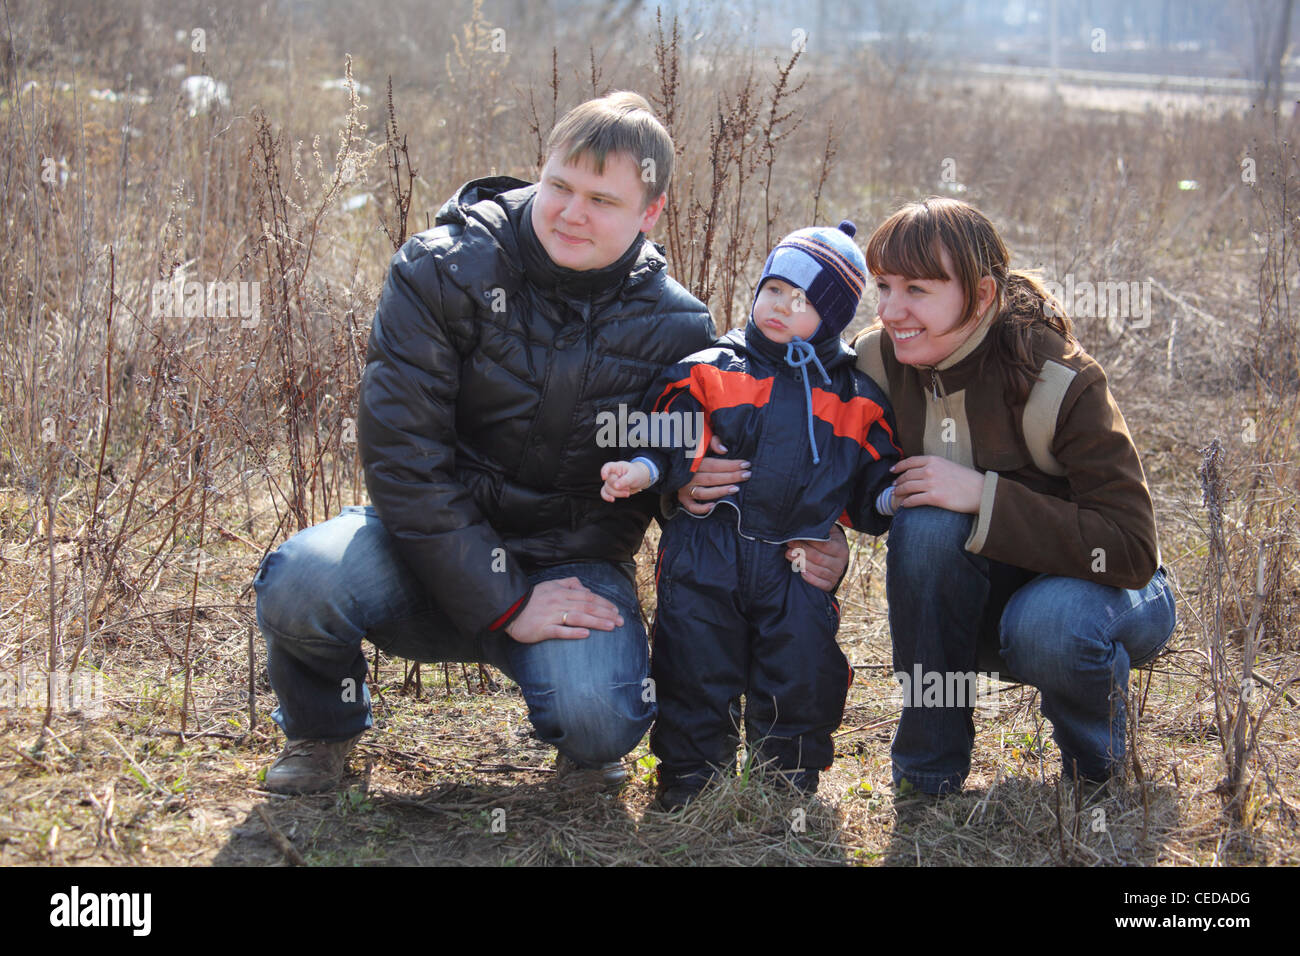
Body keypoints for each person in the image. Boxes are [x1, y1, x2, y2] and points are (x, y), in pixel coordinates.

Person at [251, 91, 849, 795]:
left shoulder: (681, 328)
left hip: (572, 566)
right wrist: (505, 601)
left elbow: (704, 471)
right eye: (560, 185)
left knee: (601, 716)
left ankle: (584, 737)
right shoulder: (441, 271)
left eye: (602, 199)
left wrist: (753, 514)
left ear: (649, 214)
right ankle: (323, 732)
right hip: (419, 551)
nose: (571, 212)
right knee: (301, 581)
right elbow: (402, 459)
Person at [852, 196, 1176, 796]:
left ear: (979, 295)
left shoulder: (1059, 378)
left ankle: (1096, 773)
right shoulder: (877, 361)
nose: (892, 310)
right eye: (884, 286)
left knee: (1049, 625)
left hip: (1109, 594)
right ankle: (928, 776)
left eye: (918, 290)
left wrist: (982, 494)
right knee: (925, 526)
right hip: (985, 598)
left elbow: (1131, 550)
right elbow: (821, 453)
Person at [601, 222, 900, 810]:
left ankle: (786, 781)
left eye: (806, 301)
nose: (782, 308)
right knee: (691, 662)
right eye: (775, 289)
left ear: (834, 318)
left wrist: (891, 498)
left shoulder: (855, 398)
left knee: (802, 669)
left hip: (797, 563)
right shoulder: (712, 370)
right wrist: (644, 468)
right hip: (704, 554)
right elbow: (670, 433)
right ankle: (691, 779)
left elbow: (872, 478)